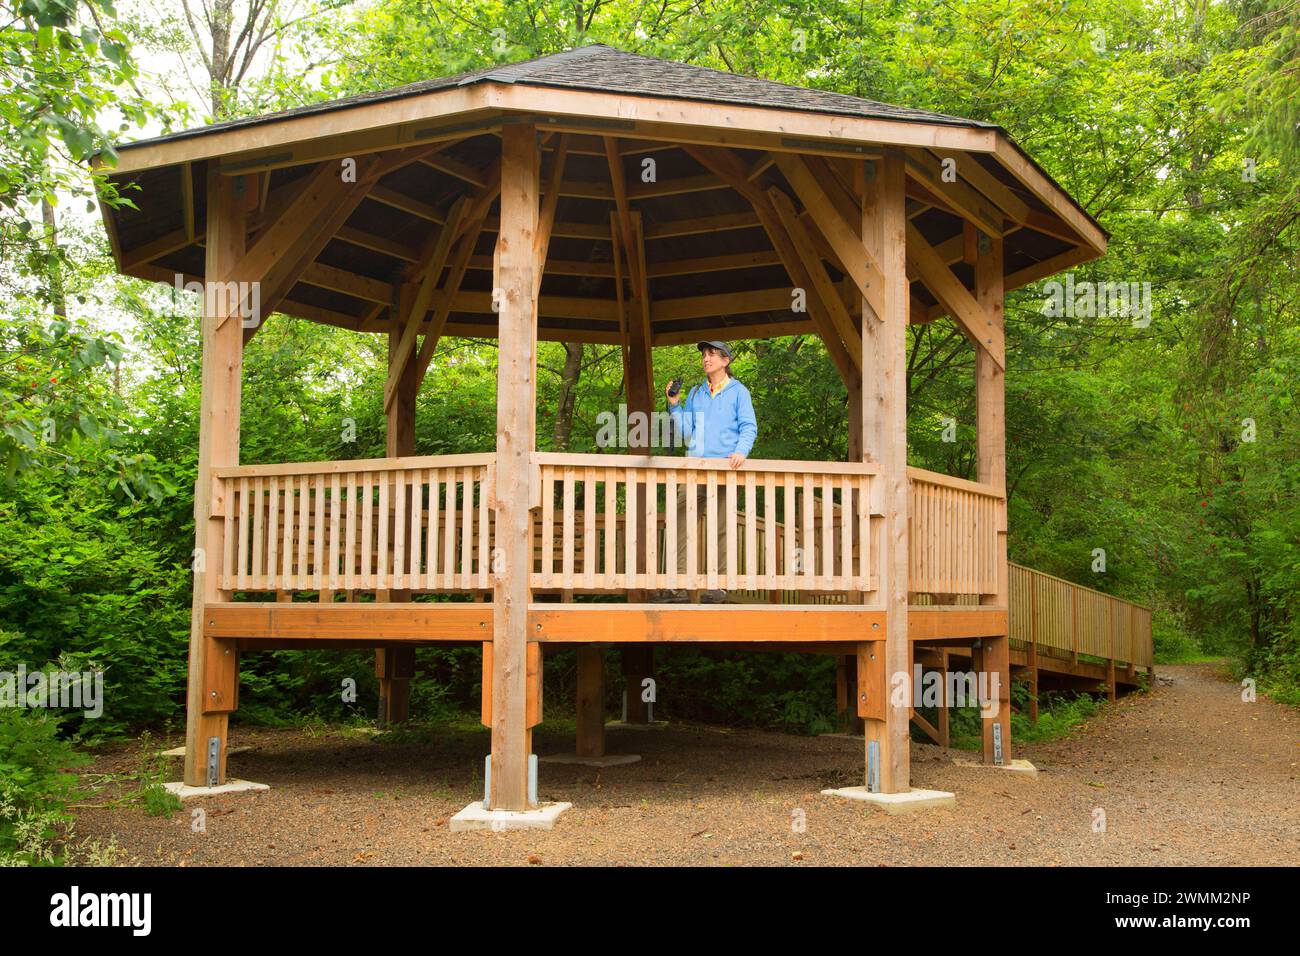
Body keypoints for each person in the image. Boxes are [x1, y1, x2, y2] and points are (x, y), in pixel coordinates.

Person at [653, 341, 757, 604]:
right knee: (678, 523)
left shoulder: (739, 392)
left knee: (721, 526)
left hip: (725, 469)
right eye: (704, 354)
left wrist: (741, 452)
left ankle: (718, 586)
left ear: (726, 361)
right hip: (695, 469)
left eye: (711, 354)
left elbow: (748, 426)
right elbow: (686, 431)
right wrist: (674, 405)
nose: (706, 358)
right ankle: (677, 586)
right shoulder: (697, 392)